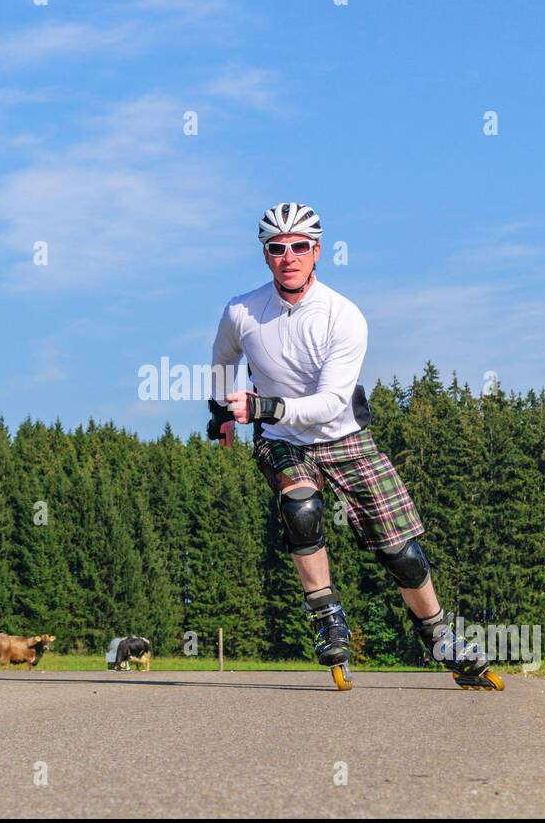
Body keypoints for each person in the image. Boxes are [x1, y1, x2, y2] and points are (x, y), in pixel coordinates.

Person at [207, 202, 503, 691]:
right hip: (283, 442)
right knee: (300, 506)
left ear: (317, 252)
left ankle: (440, 636)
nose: (288, 257)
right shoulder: (241, 311)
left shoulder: (343, 316)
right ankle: (326, 615)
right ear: (265, 256)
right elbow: (222, 360)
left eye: (299, 247)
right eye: (277, 248)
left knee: (399, 550)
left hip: (343, 435)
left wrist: (264, 408)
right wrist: (221, 413)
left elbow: (328, 404)